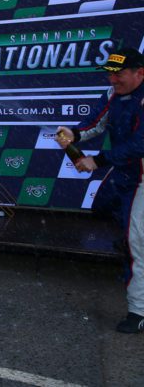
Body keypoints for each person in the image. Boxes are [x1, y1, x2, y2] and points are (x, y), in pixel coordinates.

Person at [56, 47, 144, 334]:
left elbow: (139, 146)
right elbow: (95, 122)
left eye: (118, 74)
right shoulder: (112, 95)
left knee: (136, 244)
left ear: (139, 73)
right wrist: (74, 134)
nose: (112, 80)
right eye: (109, 74)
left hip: (140, 177)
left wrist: (97, 160)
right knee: (105, 211)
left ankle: (139, 312)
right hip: (126, 174)